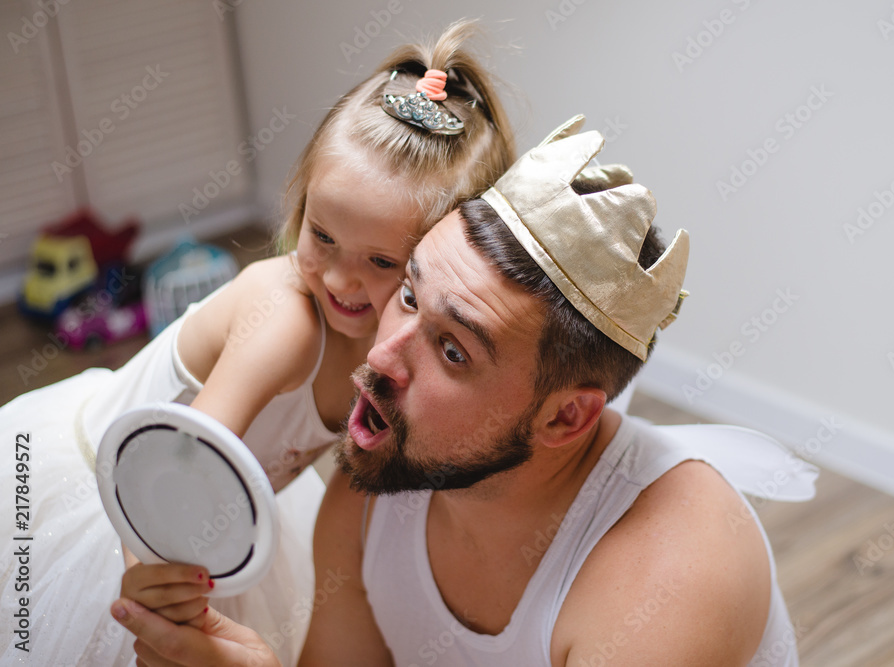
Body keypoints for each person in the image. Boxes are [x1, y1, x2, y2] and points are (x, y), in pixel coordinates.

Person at [111, 116, 817, 666]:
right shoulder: (364, 504)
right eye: (410, 295)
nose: (380, 355)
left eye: (453, 350)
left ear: (566, 415)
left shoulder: (674, 574)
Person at [0, 19, 515, 667]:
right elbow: (173, 452)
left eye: (380, 263)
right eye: (321, 236)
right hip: (126, 499)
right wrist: (154, 579)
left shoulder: (389, 349)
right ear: (300, 204)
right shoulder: (287, 321)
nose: (337, 278)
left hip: (217, 511)